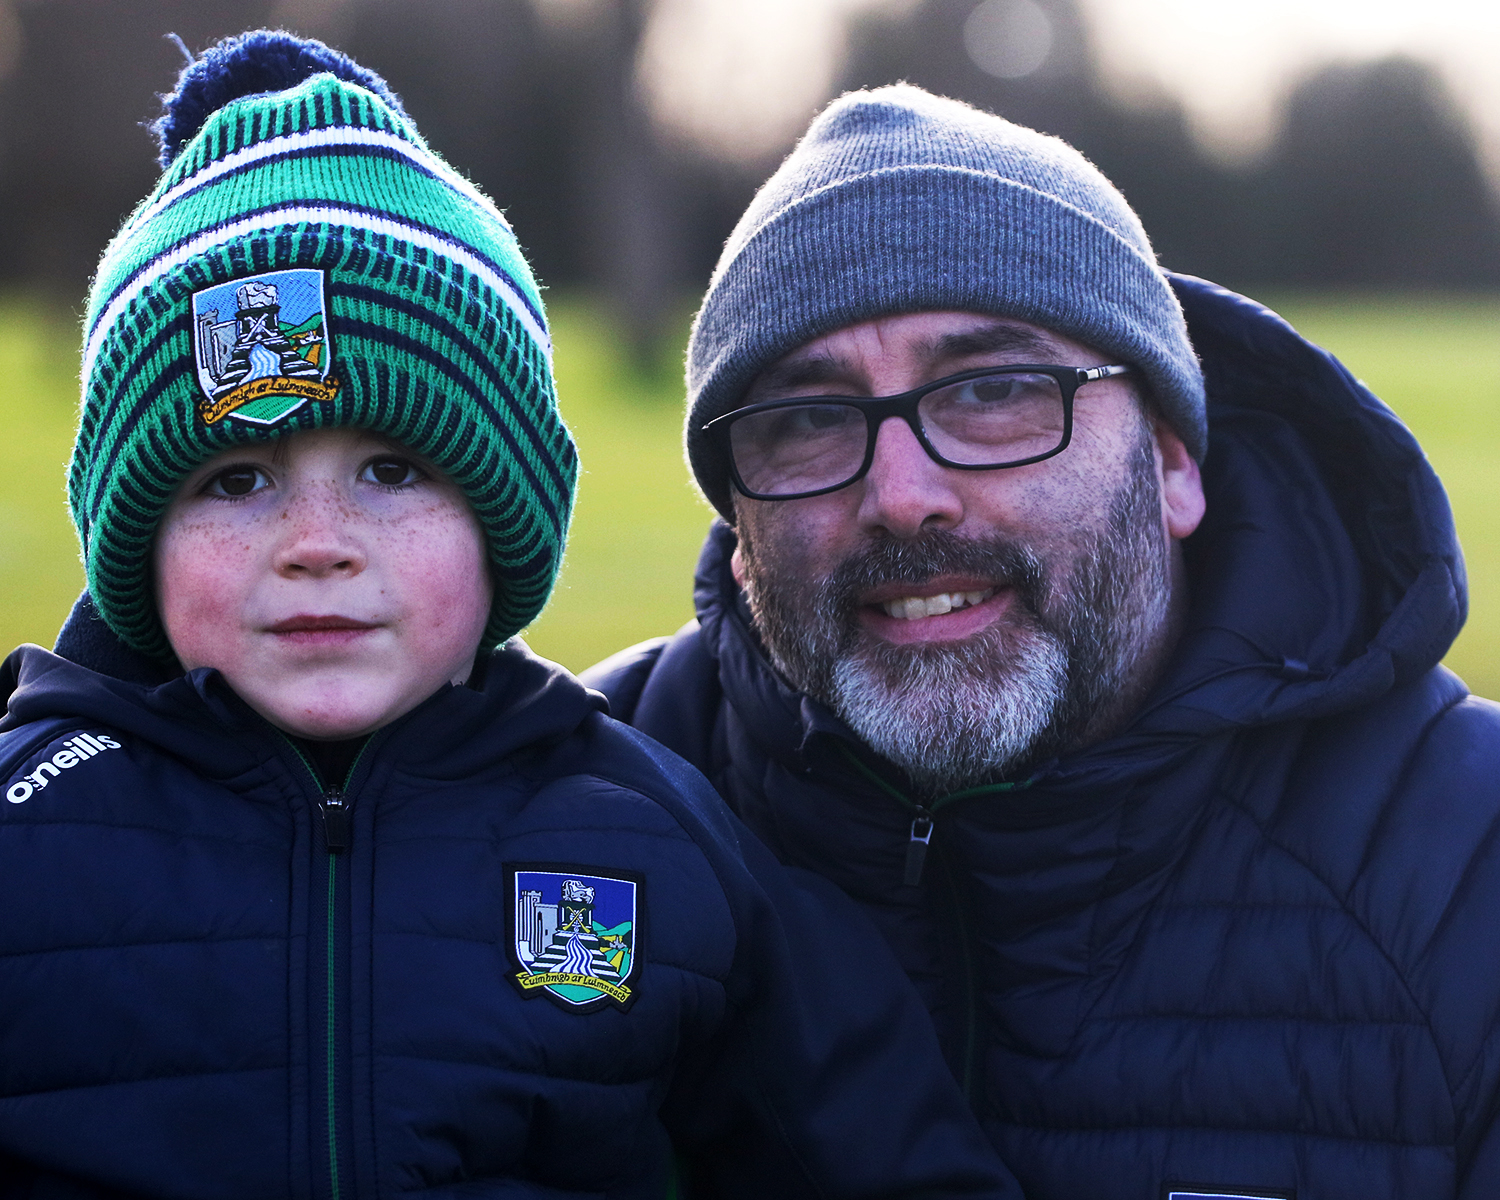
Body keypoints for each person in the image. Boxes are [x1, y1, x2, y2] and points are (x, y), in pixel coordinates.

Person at [0, 39, 1020, 1199]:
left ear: (503, 525)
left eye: (393, 471)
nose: (317, 540)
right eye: (235, 479)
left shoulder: (646, 834)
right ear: (136, 538)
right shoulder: (27, 820)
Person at [584, 83, 1500, 1199]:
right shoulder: (572, 813)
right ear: (739, 530)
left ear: (1172, 462)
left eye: (997, 391)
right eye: (807, 419)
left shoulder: (1465, 867)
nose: (902, 496)